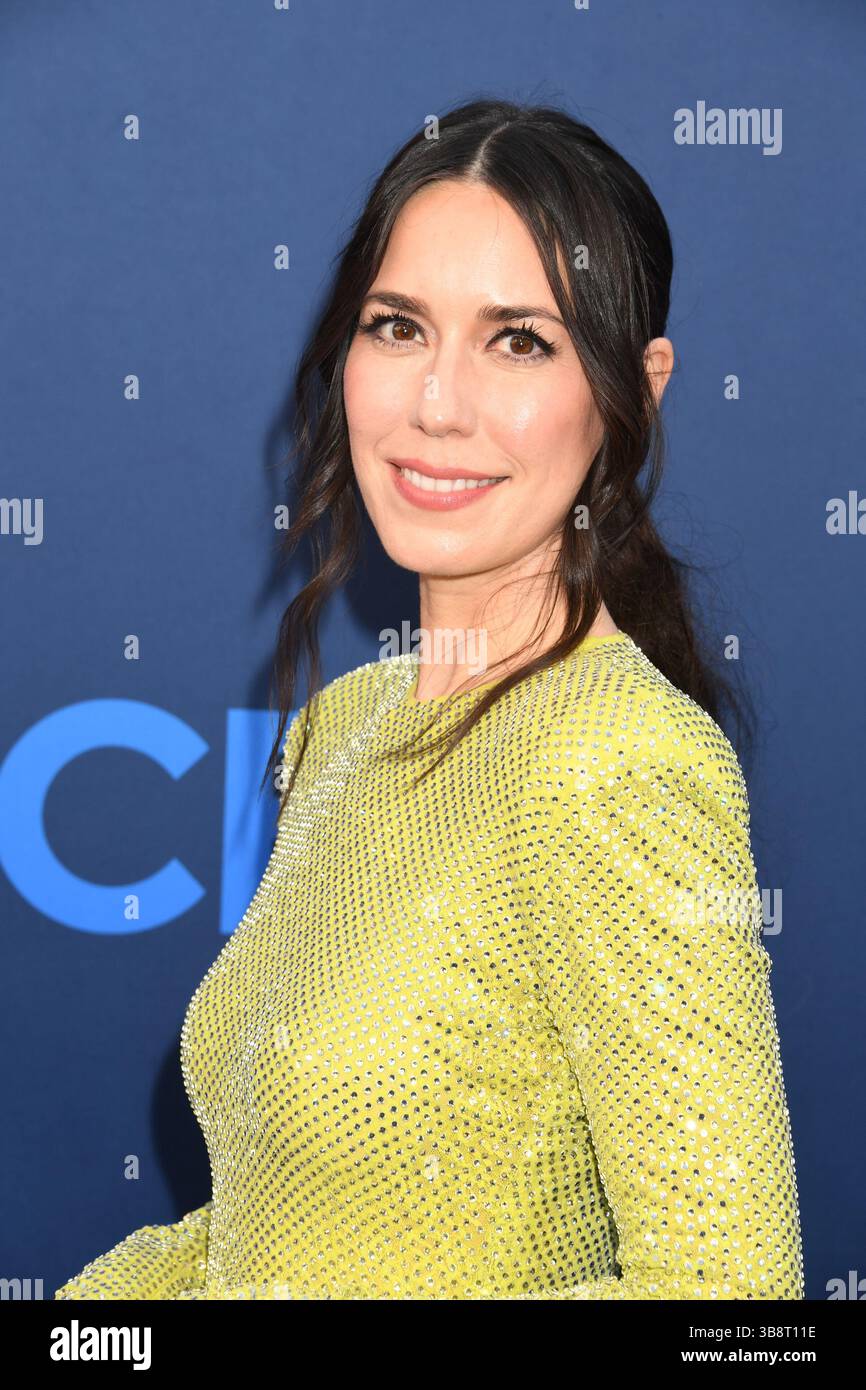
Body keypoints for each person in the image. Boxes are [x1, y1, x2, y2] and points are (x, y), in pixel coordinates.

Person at [55, 98, 804, 1300]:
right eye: (397, 327)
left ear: (634, 388)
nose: (435, 404)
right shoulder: (343, 725)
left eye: (518, 340)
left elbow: (727, 1298)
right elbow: (260, 1233)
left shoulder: (617, 758)